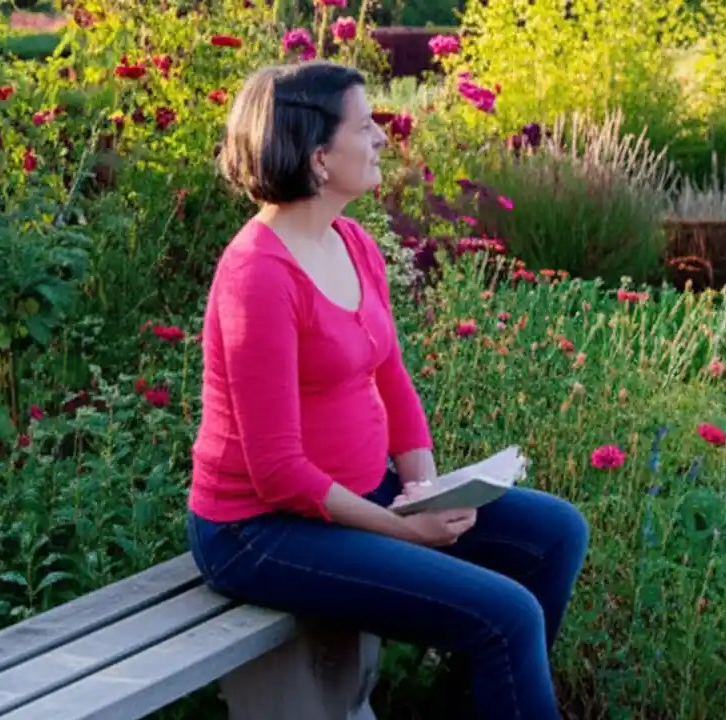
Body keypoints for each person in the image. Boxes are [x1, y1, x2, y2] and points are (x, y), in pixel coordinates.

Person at [186, 60, 590, 719]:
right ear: (319, 157)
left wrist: (425, 490)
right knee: (506, 615)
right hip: (260, 532)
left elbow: (392, 379)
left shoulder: (351, 242)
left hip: (362, 496)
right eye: (365, 125)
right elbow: (279, 473)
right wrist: (404, 532)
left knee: (556, 533)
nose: (381, 137)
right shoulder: (257, 275)